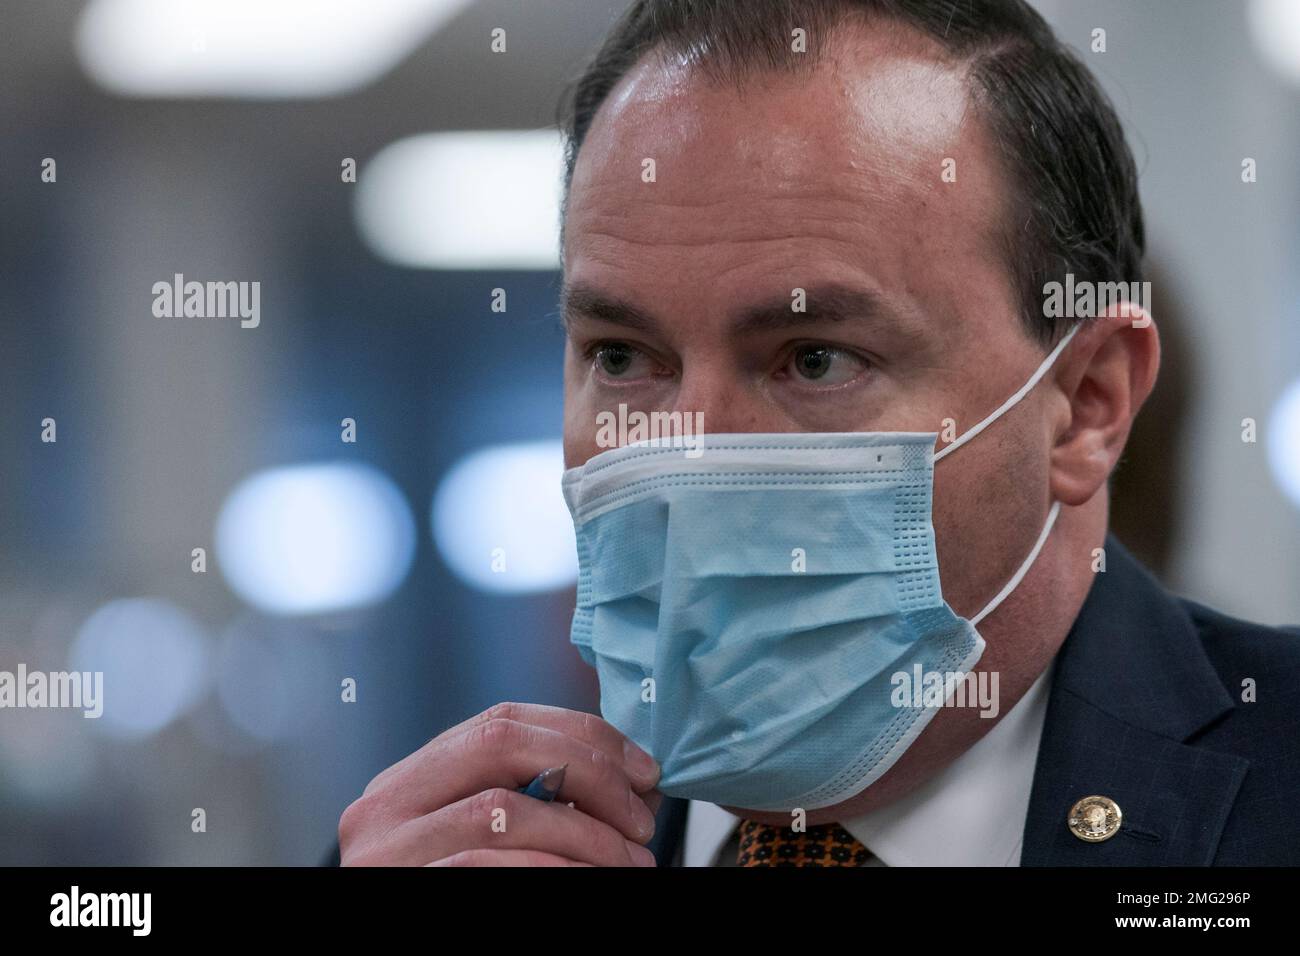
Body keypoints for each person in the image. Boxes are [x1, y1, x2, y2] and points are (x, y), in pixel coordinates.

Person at [334, 0, 1300, 867]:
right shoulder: (448, 844)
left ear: (1088, 402)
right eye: (623, 357)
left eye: (814, 358)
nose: (685, 454)